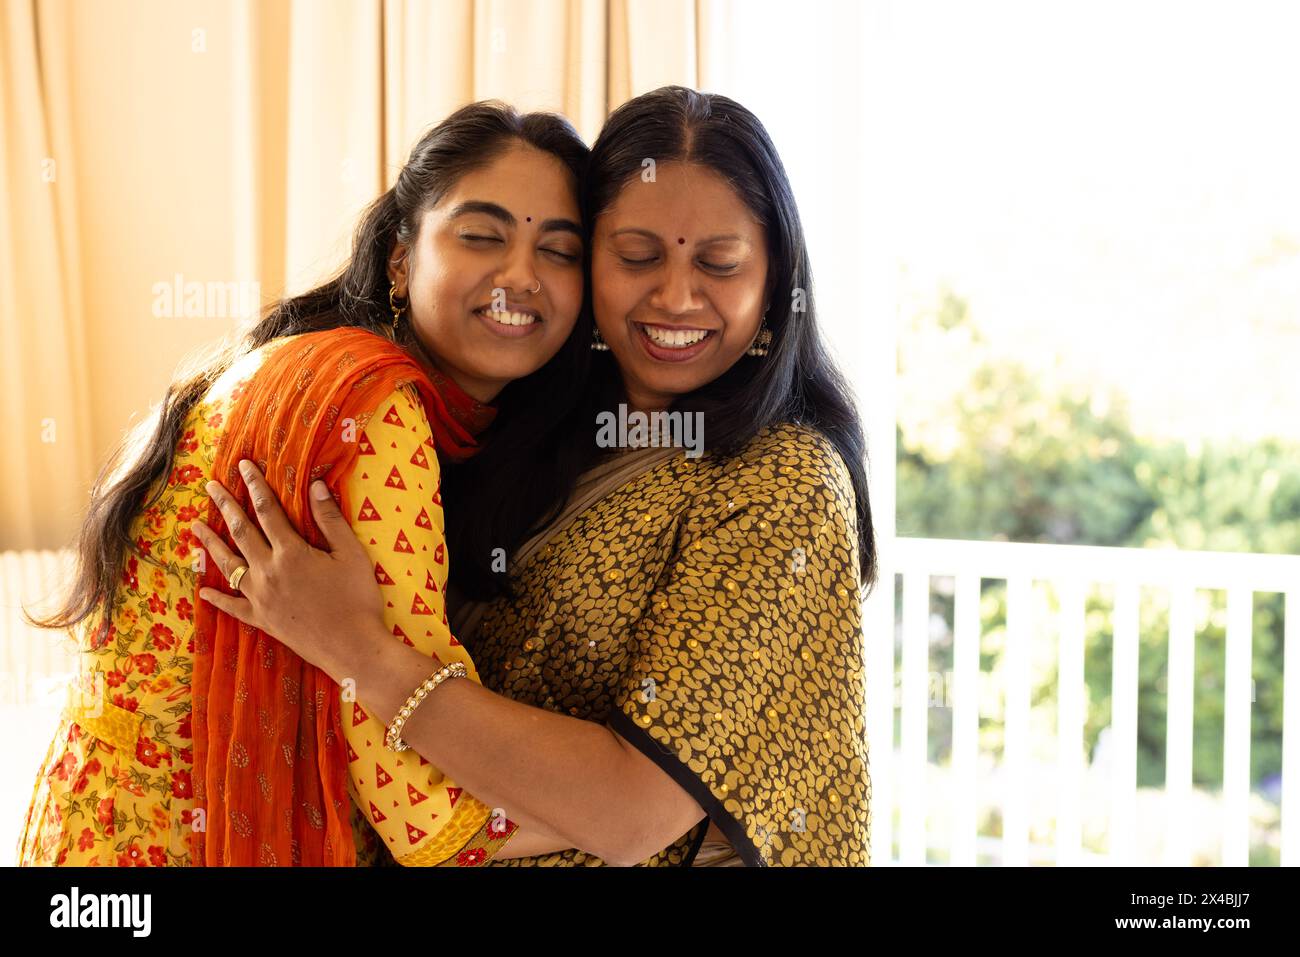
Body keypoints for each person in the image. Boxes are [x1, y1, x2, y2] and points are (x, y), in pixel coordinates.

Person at [196, 86, 878, 867]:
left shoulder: (781, 481)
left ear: (775, 281)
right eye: (636, 255)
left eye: (720, 263)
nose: (677, 295)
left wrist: (360, 653)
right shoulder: (536, 429)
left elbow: (629, 814)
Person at [17, 101, 589, 866]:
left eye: (559, 251)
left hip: (80, 833)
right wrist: (653, 810)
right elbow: (422, 815)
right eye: (481, 236)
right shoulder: (373, 409)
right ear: (399, 257)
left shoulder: (300, 358)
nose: (522, 275)